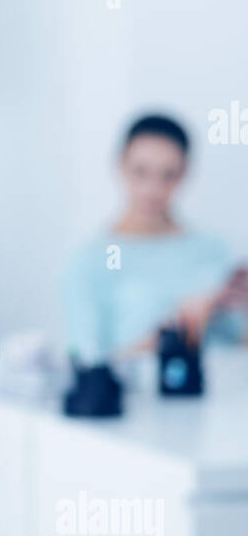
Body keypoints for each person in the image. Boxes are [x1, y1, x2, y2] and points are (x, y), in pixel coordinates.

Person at [62, 113, 246, 366]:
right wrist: (167, 338)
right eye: (141, 172)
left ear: (184, 173)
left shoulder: (216, 251)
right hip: (137, 402)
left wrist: (217, 308)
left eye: (168, 174)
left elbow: (238, 342)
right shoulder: (88, 260)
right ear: (121, 165)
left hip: (217, 400)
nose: (153, 188)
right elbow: (87, 364)